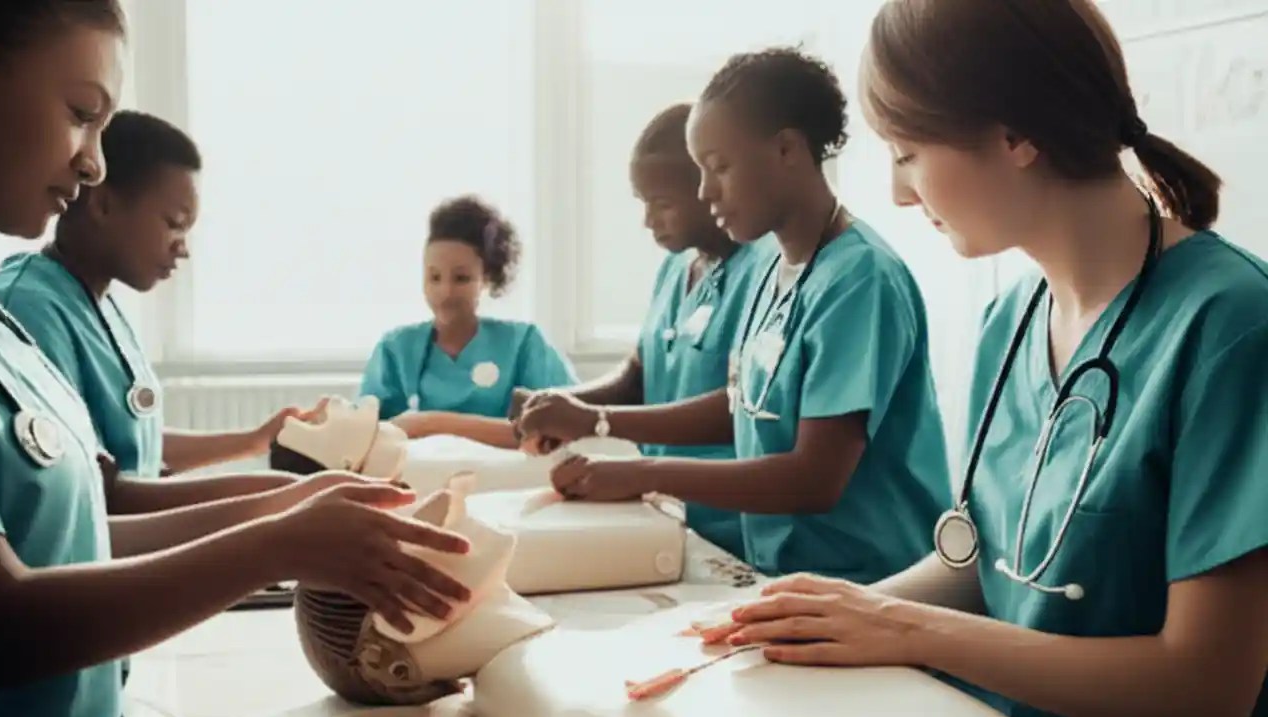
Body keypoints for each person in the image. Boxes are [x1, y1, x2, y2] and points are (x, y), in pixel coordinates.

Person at [720, 2, 1268, 717]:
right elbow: (982, 564)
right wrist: (813, 615)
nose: (899, 193)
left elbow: (1205, 686)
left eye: (908, 154)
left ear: (1014, 134)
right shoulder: (1008, 325)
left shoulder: (1230, 327)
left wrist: (902, 629)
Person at [0, 4, 471, 717]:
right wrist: (274, 544)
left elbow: (82, 531)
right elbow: (4, 623)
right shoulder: (32, 303)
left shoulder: (4, 329)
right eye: (81, 113)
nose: (92, 162)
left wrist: (290, 505)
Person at [517, 48, 951, 583]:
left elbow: (814, 479)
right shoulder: (778, 274)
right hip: (784, 575)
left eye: (719, 167)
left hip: (870, 583)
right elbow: (744, 405)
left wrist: (642, 472)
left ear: (787, 149)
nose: (704, 191)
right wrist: (595, 422)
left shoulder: (861, 279)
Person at [0, 110, 321, 511]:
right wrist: (279, 496)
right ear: (104, 204)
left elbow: (137, 444)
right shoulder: (26, 309)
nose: (183, 248)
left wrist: (253, 440)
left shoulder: (100, 305)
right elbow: (96, 493)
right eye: (174, 224)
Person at [516, 102, 772, 558]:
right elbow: (640, 375)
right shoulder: (676, 269)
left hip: (732, 521)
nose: (649, 220)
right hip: (664, 508)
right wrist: (566, 404)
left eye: (662, 204)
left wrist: (594, 421)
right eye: (643, 203)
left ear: (708, 188)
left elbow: (748, 405)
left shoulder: (765, 269)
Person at [360, 195, 577, 449]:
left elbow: (560, 426)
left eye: (461, 278)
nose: (445, 292)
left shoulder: (523, 344)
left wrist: (428, 423)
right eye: (434, 277)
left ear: (487, 277)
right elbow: (365, 434)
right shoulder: (396, 349)